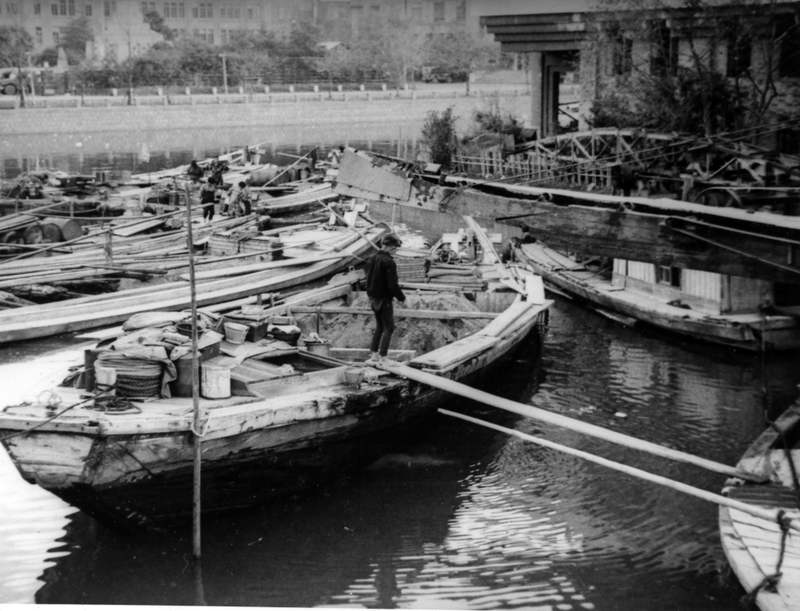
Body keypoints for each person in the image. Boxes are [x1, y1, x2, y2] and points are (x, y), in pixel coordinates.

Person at [364, 233, 406, 367]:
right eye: (394, 248)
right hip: (384, 299)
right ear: (387, 247)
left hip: (373, 298)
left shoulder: (371, 259)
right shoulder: (389, 262)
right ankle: (383, 357)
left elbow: (368, 279)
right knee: (389, 328)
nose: (395, 251)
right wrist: (402, 298)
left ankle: (374, 355)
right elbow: (392, 285)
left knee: (379, 327)